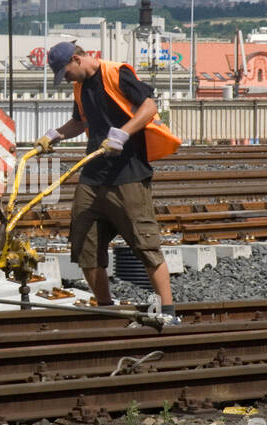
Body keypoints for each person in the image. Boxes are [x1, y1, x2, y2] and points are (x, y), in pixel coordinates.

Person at [38, 42, 181, 325]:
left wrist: (123, 134)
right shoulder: (80, 87)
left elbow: (150, 105)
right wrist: (56, 134)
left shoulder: (116, 73)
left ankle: (168, 313)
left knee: (145, 243)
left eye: (66, 73)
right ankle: (105, 308)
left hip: (128, 174)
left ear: (77, 59)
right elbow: (80, 121)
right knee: (84, 244)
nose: (66, 80)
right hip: (93, 176)